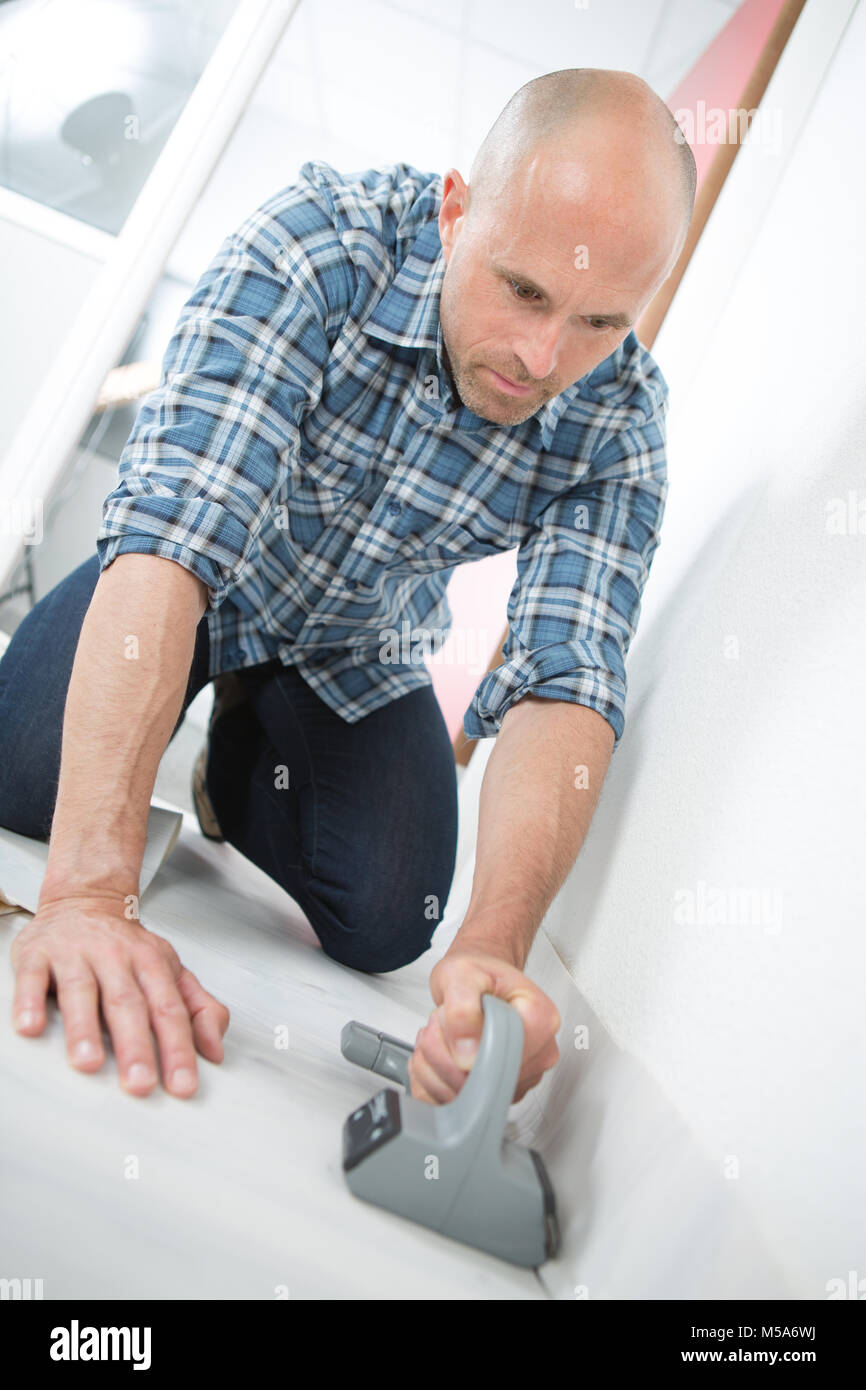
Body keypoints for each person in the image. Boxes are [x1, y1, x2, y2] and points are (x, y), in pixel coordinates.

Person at [0, 68, 695, 1106]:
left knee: (391, 916)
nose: (541, 356)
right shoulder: (319, 246)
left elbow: (565, 681)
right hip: (193, 587)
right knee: (22, 784)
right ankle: (182, 702)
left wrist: (491, 952)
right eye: (522, 291)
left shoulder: (621, 425)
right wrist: (93, 894)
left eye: (599, 321)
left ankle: (235, 770)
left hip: (355, 645)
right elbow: (176, 541)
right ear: (457, 208)